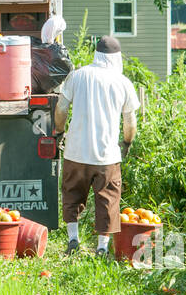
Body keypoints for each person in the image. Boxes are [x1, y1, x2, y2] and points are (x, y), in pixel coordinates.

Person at [52, 36, 140, 259]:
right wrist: (127, 142)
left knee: (72, 195)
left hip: (76, 152)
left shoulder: (78, 76)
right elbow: (130, 122)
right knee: (108, 200)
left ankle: (73, 240)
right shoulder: (123, 83)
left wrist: (59, 132)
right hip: (106, 156)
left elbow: (61, 109)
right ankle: (101, 247)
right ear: (117, 58)